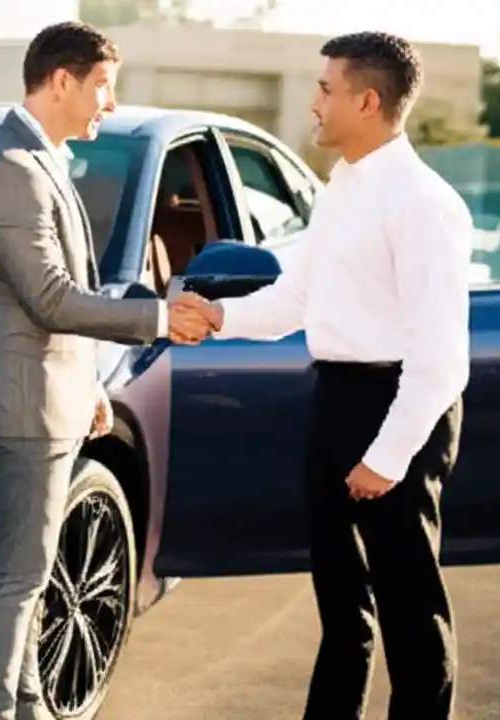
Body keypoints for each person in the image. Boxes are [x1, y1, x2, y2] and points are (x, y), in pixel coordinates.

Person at [177, 31, 472, 720]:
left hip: (398, 406)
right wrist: (217, 316)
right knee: (342, 606)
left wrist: (388, 457)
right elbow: (298, 299)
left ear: (367, 100)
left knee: (409, 609)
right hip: (337, 398)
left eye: (324, 89)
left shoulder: (421, 203)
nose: (312, 103)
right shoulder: (342, 188)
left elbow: (440, 360)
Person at [0, 20, 209, 720]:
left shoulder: (38, 158)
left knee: (31, 573)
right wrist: (161, 319)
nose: (112, 103)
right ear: (61, 81)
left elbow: (46, 297)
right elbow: (49, 297)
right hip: (27, 406)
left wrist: (91, 383)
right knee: (18, 575)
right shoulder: (10, 170)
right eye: (103, 85)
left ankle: (29, 703)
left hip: (53, 394)